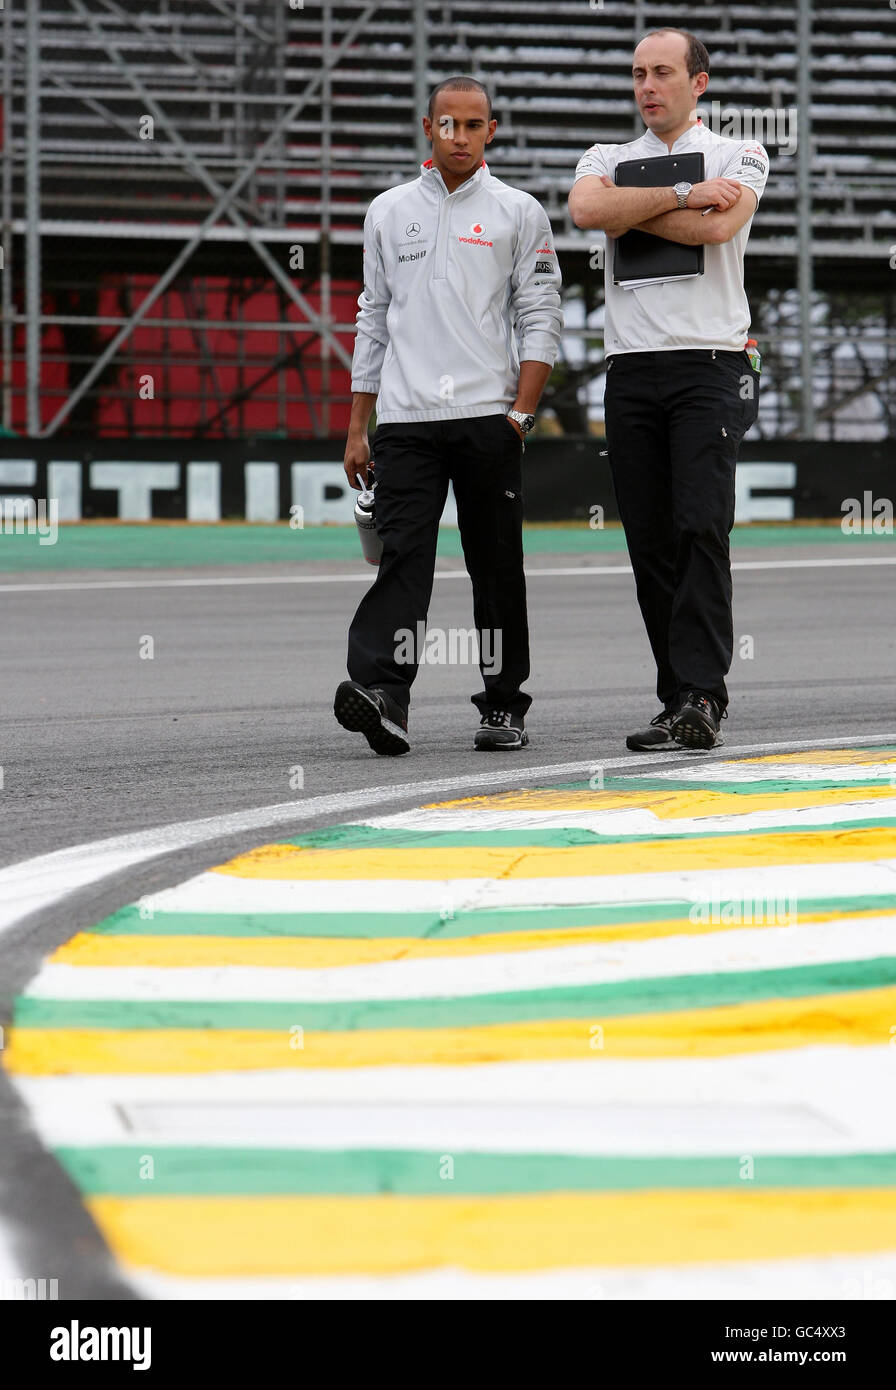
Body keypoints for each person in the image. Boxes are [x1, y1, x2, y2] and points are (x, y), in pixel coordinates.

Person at [334, 75, 562, 755]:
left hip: (489, 418)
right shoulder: (386, 210)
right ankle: (383, 696)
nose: (458, 136)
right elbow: (371, 318)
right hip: (404, 421)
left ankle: (503, 704)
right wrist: (358, 424)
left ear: (491, 130)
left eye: (472, 125)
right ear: (427, 128)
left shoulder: (519, 211)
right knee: (402, 557)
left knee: (496, 566)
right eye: (447, 124)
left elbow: (541, 316)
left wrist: (521, 414)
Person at [568, 28, 769, 751]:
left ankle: (702, 697)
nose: (647, 85)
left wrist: (637, 207)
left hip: (709, 365)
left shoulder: (741, 153)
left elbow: (721, 231)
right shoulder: (606, 159)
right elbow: (588, 213)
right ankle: (675, 696)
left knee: (699, 526)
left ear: (699, 82)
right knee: (650, 539)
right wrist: (681, 194)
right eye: (637, 74)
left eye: (661, 73)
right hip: (630, 369)